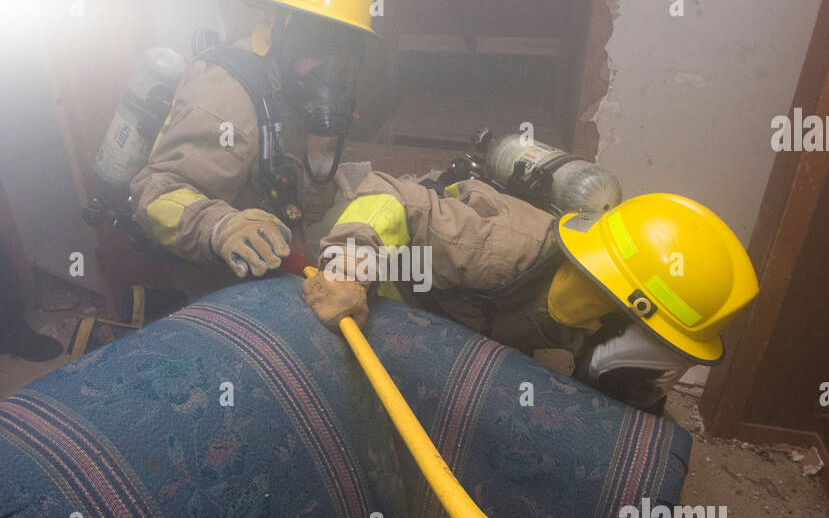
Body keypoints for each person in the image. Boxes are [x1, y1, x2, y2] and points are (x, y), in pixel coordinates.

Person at [301, 171, 759, 414]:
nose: (650, 369)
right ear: (630, 308)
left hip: (459, 317)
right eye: (655, 348)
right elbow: (389, 194)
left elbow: (626, 394)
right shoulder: (503, 252)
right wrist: (348, 268)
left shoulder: (592, 313)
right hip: (393, 293)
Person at [130, 0, 377, 278]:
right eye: (318, 46)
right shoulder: (227, 97)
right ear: (279, 31)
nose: (329, 71)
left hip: (273, 257)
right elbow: (155, 192)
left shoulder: (291, 85)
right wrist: (221, 226)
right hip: (214, 276)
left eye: (342, 55)